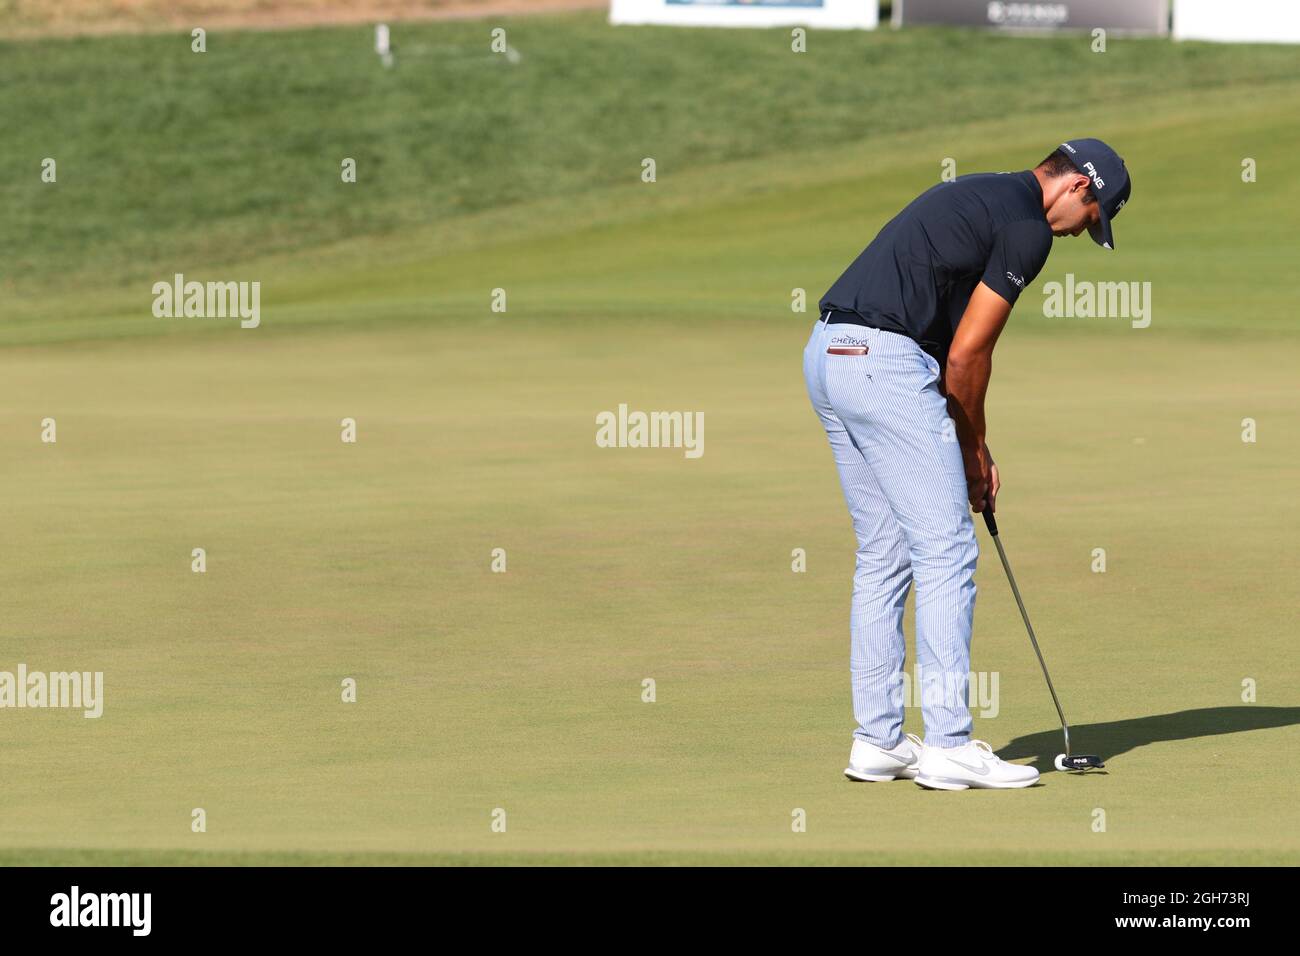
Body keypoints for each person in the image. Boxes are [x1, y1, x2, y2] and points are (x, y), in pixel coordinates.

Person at [803, 140, 1131, 790]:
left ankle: (878, 742)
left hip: (828, 354)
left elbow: (953, 347)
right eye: (1090, 220)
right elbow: (967, 357)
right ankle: (950, 745)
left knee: (885, 555)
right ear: (1077, 191)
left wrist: (967, 444)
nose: (1077, 234)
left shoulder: (984, 194)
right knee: (947, 551)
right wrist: (975, 453)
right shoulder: (1027, 226)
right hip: (883, 366)